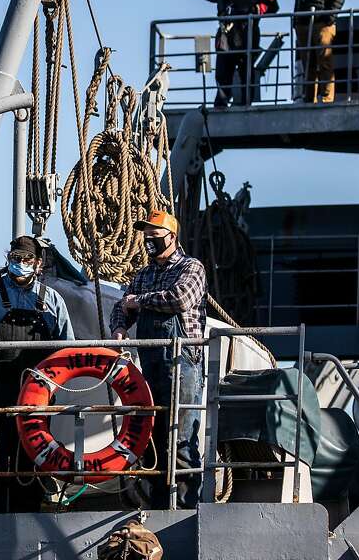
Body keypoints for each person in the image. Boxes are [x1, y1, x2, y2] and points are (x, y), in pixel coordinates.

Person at [0, 235, 74, 513]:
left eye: (26, 259)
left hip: (35, 390)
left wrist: (51, 384)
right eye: (15, 258)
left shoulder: (52, 299)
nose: (20, 263)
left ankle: (28, 510)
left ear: (38, 264)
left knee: (31, 448)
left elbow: (66, 348)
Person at [110, 210, 208, 509]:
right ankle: (159, 505)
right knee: (154, 435)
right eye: (147, 237)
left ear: (172, 237)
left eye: (155, 236)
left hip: (182, 362)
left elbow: (180, 299)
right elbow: (122, 306)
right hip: (151, 362)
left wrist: (138, 301)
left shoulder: (191, 268)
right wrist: (118, 327)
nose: (149, 242)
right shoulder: (144, 275)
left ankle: (187, 505)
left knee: (181, 437)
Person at [185, 0, 279, 107]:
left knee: (245, 72)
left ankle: (245, 104)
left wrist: (256, 9)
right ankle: (221, 104)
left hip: (246, 33)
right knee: (222, 72)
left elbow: (273, 6)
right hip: (225, 35)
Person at [292, 0, 345, 103]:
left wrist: (328, 18)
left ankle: (327, 97)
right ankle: (310, 98)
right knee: (308, 63)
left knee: (325, 61)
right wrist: (297, 21)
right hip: (304, 23)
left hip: (322, 23)